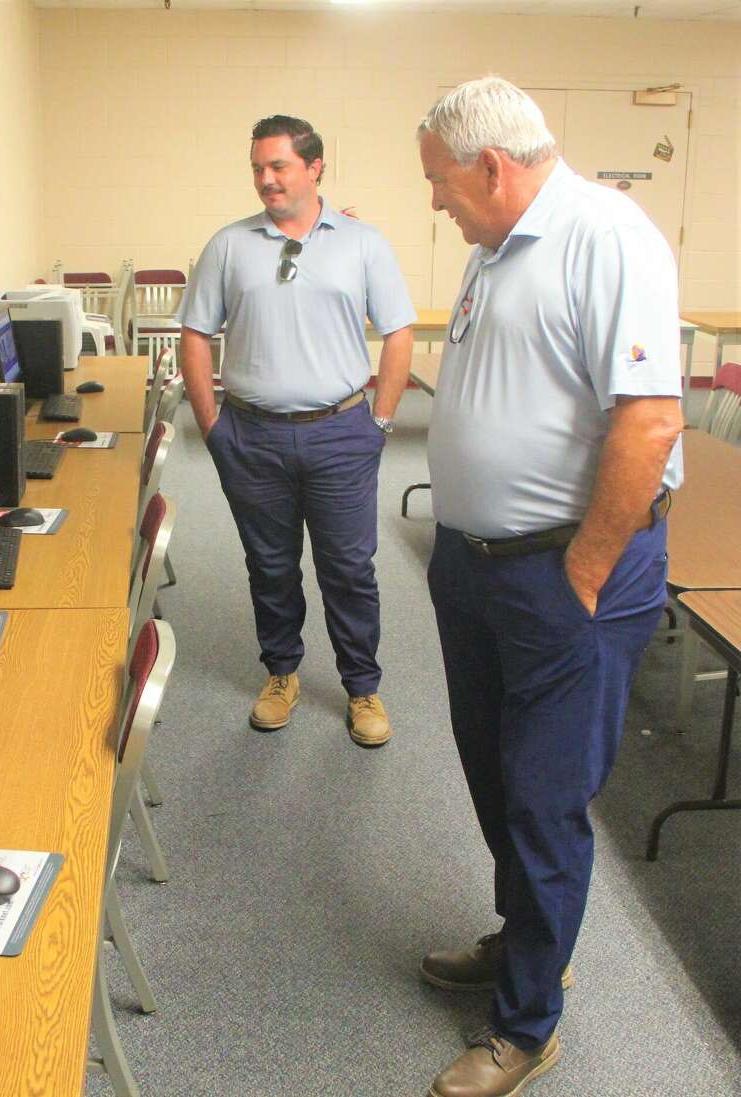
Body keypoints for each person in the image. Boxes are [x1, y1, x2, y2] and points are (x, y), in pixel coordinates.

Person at [416, 78, 684, 1097]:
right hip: (478, 566)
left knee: (543, 795)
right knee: (495, 772)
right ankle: (529, 934)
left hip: (564, 574)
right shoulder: (496, 246)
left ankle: (526, 1022)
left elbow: (651, 422)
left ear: (493, 166)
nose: (436, 200)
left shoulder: (605, 236)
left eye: (441, 181)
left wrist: (580, 574)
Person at [176, 115, 415, 745]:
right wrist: (212, 424)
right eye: (257, 167)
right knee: (270, 565)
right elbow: (195, 336)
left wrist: (379, 422)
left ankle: (362, 686)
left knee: (349, 568)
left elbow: (399, 332)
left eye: (278, 166)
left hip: (340, 434)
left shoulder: (364, 243)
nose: (265, 179)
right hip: (250, 437)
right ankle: (281, 673)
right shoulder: (228, 245)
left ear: (315, 169)